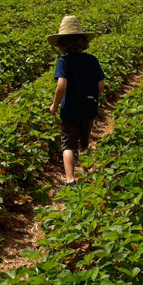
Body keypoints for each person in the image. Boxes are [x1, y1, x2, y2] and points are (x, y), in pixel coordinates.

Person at [48, 16, 105, 187]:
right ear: (83, 42)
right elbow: (100, 84)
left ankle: (70, 179)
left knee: (68, 144)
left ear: (62, 44)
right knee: (84, 141)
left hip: (70, 110)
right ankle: (87, 173)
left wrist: (55, 105)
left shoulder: (63, 62)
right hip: (88, 108)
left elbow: (62, 85)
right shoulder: (92, 60)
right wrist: (94, 99)